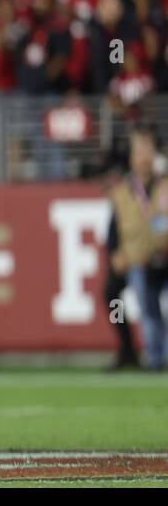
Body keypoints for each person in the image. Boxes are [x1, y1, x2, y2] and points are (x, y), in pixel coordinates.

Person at [106, 126, 168, 370]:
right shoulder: (121, 191)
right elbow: (112, 230)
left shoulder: (164, 185)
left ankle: (160, 354)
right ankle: (126, 347)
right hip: (137, 261)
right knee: (112, 297)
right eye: (138, 151)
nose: (143, 157)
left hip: (164, 258)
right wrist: (115, 254)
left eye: (147, 150)